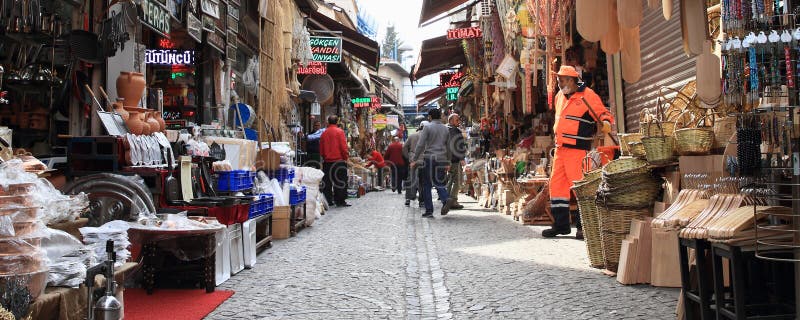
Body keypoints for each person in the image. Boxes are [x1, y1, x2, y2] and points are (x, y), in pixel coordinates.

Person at [543, 65, 613, 239]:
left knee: (582, 188)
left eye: (563, 80)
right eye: (558, 80)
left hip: (577, 150)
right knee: (557, 187)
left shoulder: (588, 95)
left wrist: (606, 122)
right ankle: (561, 225)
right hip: (560, 150)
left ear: (572, 80)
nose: (560, 83)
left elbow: (603, 113)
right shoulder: (559, 97)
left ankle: (584, 226)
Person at [411, 109, 452, 217]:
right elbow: (449, 146)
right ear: (440, 116)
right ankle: (445, 198)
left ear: (430, 116)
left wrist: (414, 159)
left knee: (427, 184)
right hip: (442, 158)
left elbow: (420, 144)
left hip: (429, 158)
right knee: (439, 182)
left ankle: (429, 210)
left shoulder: (427, 127)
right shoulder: (445, 128)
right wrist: (448, 161)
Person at [320, 115, 351, 207]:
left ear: (328, 122)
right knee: (340, 181)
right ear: (337, 122)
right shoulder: (340, 132)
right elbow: (343, 147)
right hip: (339, 161)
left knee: (327, 182)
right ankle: (340, 201)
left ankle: (328, 200)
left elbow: (321, 148)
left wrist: (325, 157)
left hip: (327, 162)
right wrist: (345, 158)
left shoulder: (324, 133)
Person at [445, 113, 467, 210]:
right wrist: (461, 158)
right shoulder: (454, 130)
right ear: (451, 121)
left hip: (449, 159)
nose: (459, 122)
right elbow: (456, 145)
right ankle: (453, 201)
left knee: (451, 180)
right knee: (457, 180)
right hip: (454, 159)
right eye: (457, 120)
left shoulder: (447, 129)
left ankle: (447, 199)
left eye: (459, 120)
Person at [404, 121, 427, 207]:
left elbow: (404, 147)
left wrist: (408, 157)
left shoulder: (412, 136)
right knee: (423, 180)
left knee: (410, 179)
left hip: (413, 160)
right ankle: (421, 200)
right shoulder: (428, 137)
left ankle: (408, 198)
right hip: (424, 160)